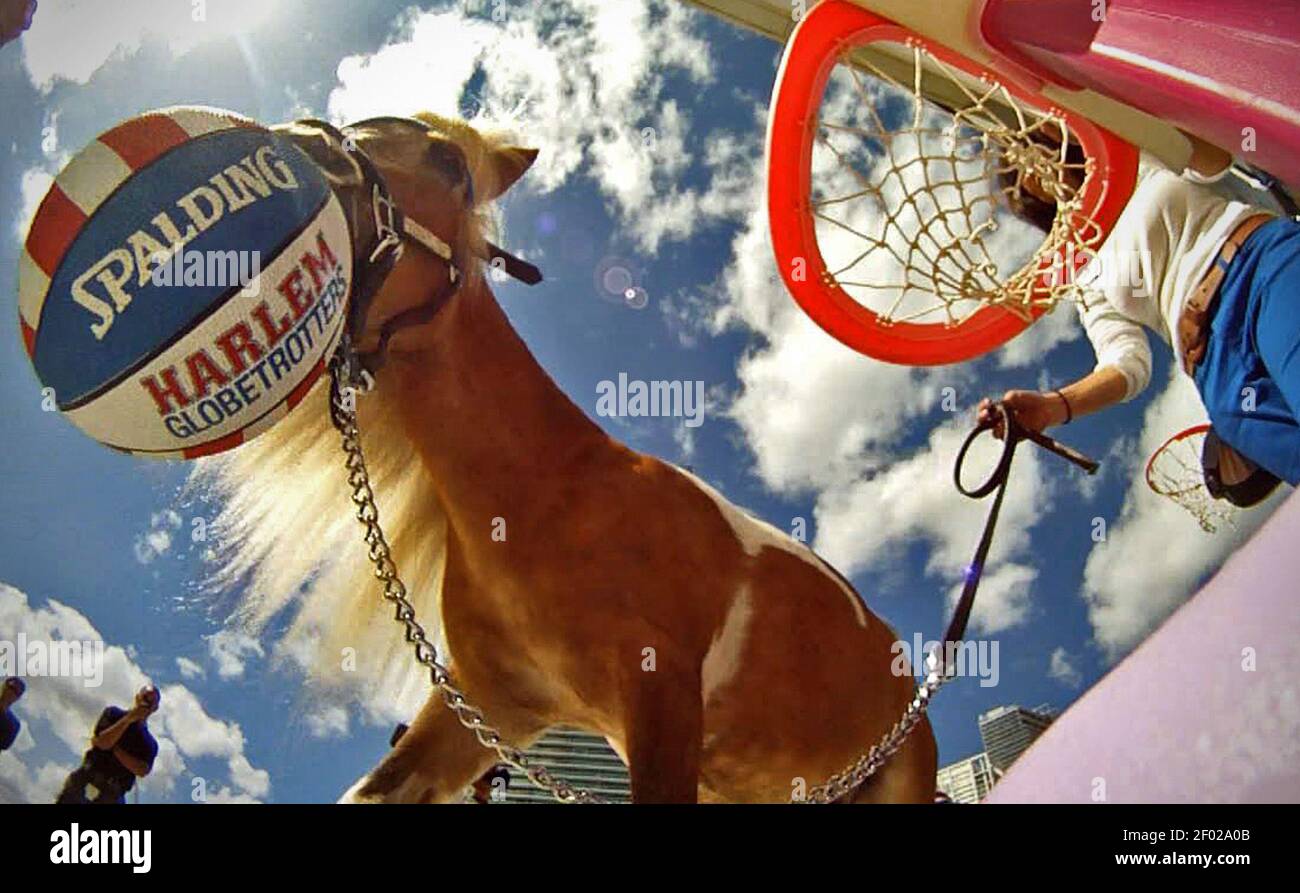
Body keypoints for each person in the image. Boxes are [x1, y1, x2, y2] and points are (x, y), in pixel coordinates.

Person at [985, 133, 1298, 505]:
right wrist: (1053, 405)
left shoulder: (1134, 158)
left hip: (1256, 268)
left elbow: (1215, 158)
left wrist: (1098, 118)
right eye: (1017, 171)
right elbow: (1126, 363)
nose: (1029, 163)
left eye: (1027, 148)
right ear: (1031, 200)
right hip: (1212, 368)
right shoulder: (1080, 268)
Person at [56, 686, 160, 804]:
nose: (146, 703)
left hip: (112, 794)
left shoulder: (149, 743)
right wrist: (128, 719)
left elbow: (142, 770)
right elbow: (103, 742)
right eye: (145, 698)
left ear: (155, 708)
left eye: (151, 702)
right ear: (137, 698)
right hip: (87, 778)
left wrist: (115, 748)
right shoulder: (113, 714)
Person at [1, 677, 25, 751]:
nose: (10, 692)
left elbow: (4, 745)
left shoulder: (13, 724)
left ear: (18, 698)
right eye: (10, 687)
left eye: (16, 692)